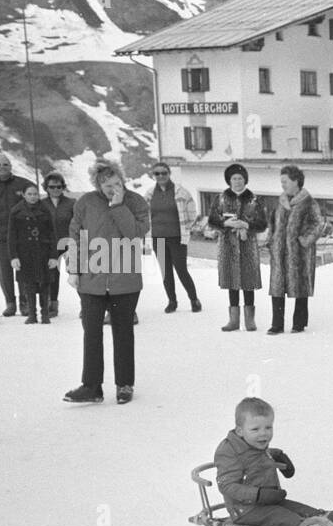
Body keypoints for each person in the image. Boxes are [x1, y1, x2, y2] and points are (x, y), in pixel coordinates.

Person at [214, 397, 333, 526]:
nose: (264, 433)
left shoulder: (252, 444)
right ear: (240, 431)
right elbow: (226, 485)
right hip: (245, 509)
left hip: (270, 500)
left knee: (297, 508)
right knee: (280, 515)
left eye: (268, 427)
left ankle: (328, 519)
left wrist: (277, 456)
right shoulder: (229, 452)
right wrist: (258, 495)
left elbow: (256, 457)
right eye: (255, 429)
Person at [63, 159, 149, 404]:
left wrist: (118, 206)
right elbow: (75, 237)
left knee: (123, 333)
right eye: (106, 184)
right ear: (97, 184)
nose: (112, 188)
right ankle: (91, 386)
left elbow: (134, 233)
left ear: (123, 181)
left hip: (125, 280)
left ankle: (124, 385)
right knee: (91, 332)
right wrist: (74, 269)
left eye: (116, 183)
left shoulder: (136, 202)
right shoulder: (86, 203)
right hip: (92, 280)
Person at [209, 163, 268, 332]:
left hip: (248, 246)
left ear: (245, 180)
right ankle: (233, 320)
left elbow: (263, 224)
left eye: (240, 178)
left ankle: (250, 320)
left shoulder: (255, 199)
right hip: (228, 245)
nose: (237, 182)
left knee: (248, 281)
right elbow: (212, 220)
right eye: (234, 178)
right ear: (229, 180)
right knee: (232, 281)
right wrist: (224, 223)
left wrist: (247, 224)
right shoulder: (220, 198)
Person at [266, 164, 322, 335]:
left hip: (299, 252)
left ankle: (299, 323)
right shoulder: (280, 201)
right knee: (277, 287)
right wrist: (271, 241)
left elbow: (318, 224)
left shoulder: (308, 202)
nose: (282, 184)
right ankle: (277, 324)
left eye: (285, 181)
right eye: (281, 181)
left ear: (296, 181)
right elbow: (273, 223)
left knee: (300, 286)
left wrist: (305, 240)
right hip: (279, 252)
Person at [0, 155, 34, 316]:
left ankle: (25, 302)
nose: (2, 167)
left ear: (11, 165)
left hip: (22, 233)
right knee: (4, 269)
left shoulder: (24, 184)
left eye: (5, 164)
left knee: (23, 268)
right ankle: (10, 302)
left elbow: (34, 204)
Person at [144, 161, 200, 314]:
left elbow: (192, 214)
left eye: (164, 173)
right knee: (165, 272)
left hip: (177, 238)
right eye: (157, 173)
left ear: (169, 174)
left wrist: (185, 228)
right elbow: (144, 215)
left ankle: (194, 299)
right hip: (158, 238)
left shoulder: (181, 192)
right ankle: (172, 301)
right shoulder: (149, 194)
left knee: (181, 270)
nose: (161, 176)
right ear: (153, 175)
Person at [7, 182, 58, 324]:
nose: (33, 197)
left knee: (44, 284)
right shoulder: (16, 211)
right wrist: (14, 256)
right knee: (28, 284)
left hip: (43, 252)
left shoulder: (45, 210)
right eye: (29, 194)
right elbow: (12, 236)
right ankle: (32, 314)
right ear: (23, 195)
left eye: (35, 194)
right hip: (25, 253)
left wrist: (54, 255)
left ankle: (45, 314)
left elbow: (53, 233)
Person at [42, 172, 74, 318]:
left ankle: (86, 305)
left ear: (63, 187)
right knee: (52, 275)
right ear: (46, 188)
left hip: (68, 243)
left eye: (59, 186)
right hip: (49, 245)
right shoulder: (41, 204)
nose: (55, 189)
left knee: (76, 272)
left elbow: (77, 223)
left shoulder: (72, 203)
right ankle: (52, 305)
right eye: (52, 186)